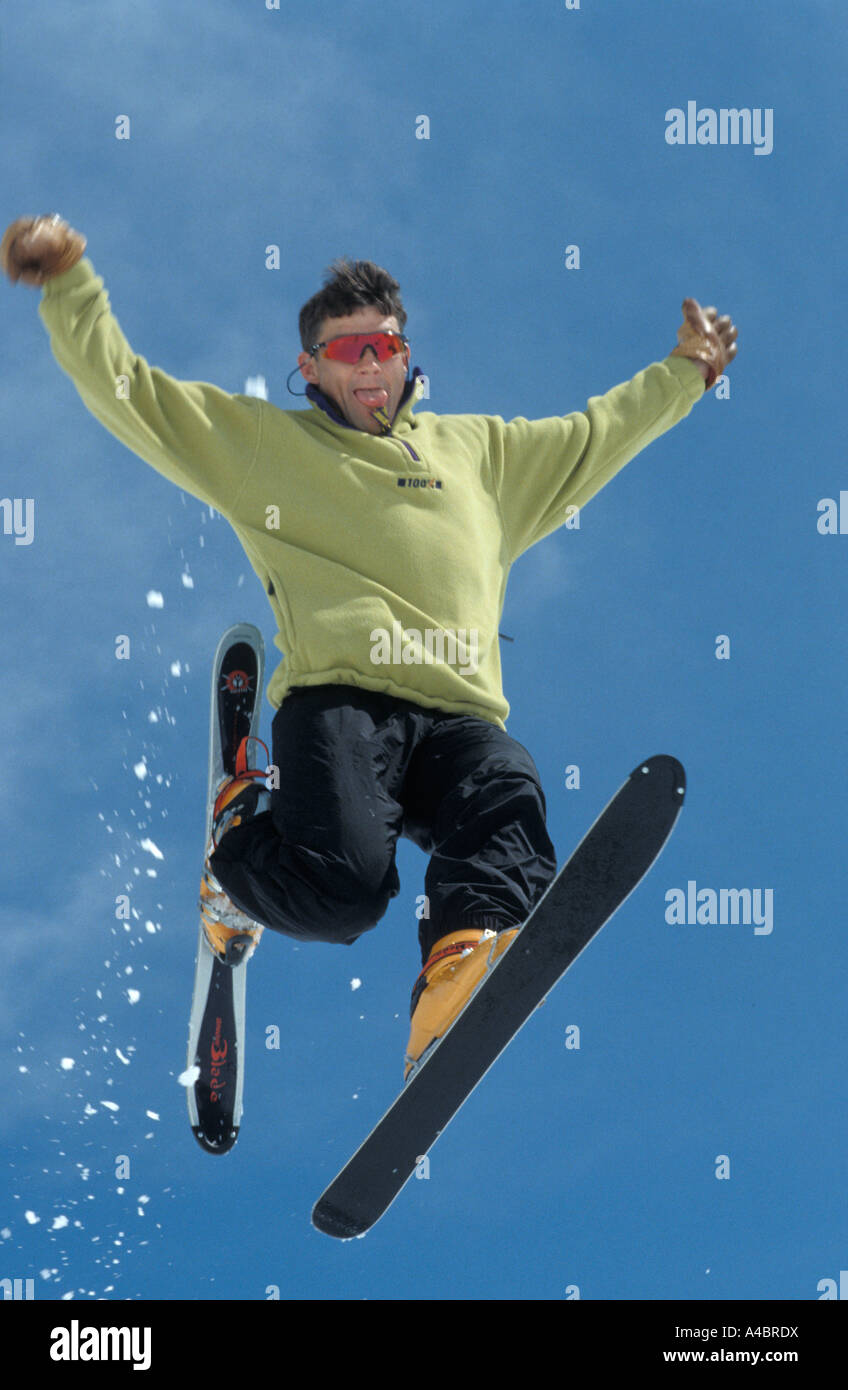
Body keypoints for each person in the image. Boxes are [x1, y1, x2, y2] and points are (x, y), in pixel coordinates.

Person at [1, 214, 738, 1081]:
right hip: (342, 702)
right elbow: (129, 392)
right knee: (344, 892)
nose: (366, 367)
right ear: (309, 369)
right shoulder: (267, 449)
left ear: (404, 355)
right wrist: (71, 283)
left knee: (506, 789)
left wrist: (689, 372)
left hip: (459, 715)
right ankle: (239, 854)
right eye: (342, 353)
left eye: (380, 347)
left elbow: (598, 432)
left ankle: (459, 965)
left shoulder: (484, 456)